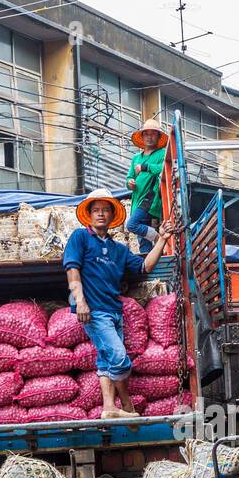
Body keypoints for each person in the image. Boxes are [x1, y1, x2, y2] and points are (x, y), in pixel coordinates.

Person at [63, 189, 176, 419]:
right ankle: (127, 406)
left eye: (105, 210)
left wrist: (162, 238)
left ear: (112, 215)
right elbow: (72, 269)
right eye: (96, 210)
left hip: (115, 312)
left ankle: (109, 408)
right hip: (94, 311)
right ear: (89, 215)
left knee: (105, 360)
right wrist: (80, 301)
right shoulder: (80, 237)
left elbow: (146, 267)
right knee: (119, 358)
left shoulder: (119, 250)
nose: (101, 214)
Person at [125, 119, 168, 255]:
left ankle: (157, 237)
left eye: (153, 134)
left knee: (132, 225)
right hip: (137, 200)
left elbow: (165, 168)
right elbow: (128, 178)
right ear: (142, 137)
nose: (149, 137)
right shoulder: (136, 158)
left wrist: (146, 167)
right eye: (146, 134)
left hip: (150, 198)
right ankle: (149, 268)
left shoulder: (162, 154)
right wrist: (130, 183)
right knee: (143, 241)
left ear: (158, 137)